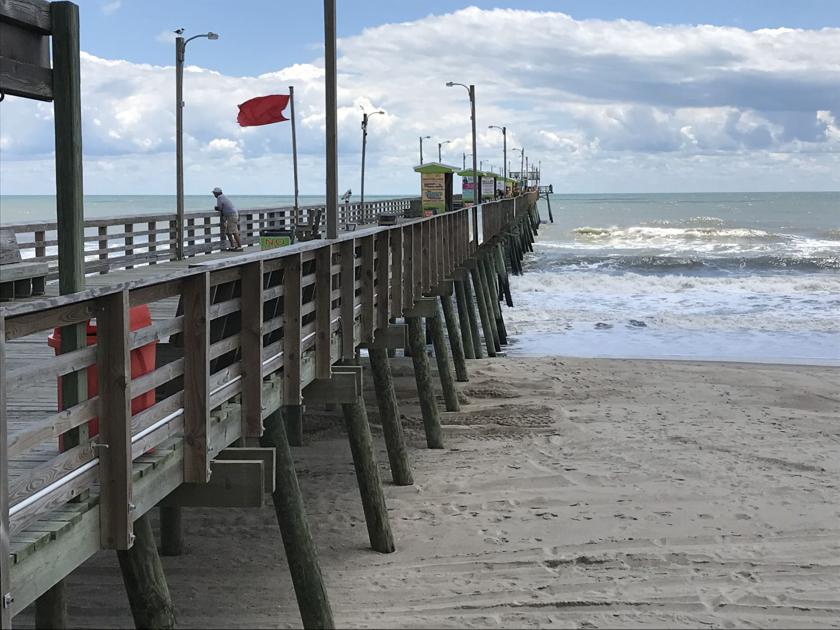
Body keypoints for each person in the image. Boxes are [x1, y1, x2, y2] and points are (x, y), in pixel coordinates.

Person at [212, 187, 242, 251]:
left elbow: (220, 208)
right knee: (228, 232)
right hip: (232, 215)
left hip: (232, 216)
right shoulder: (223, 196)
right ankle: (232, 246)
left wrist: (216, 208)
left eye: (214, 193)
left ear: (217, 193)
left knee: (234, 231)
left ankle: (239, 247)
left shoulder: (220, 197)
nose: (214, 195)